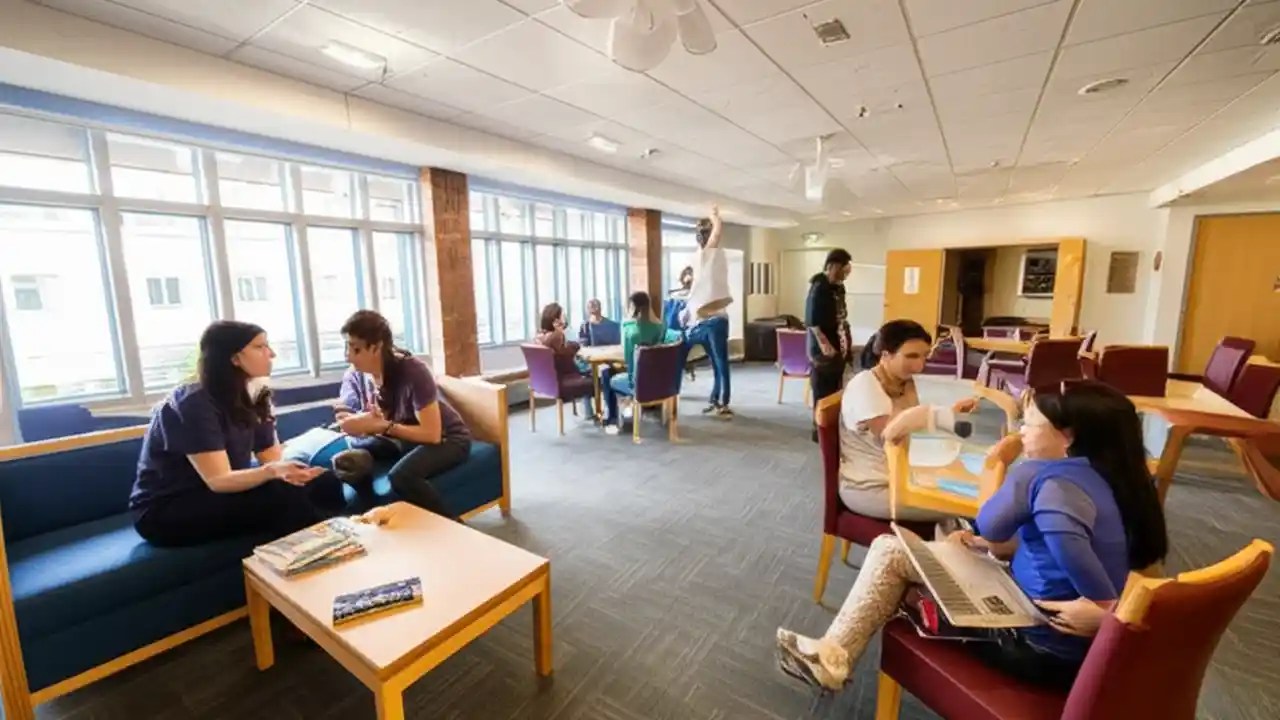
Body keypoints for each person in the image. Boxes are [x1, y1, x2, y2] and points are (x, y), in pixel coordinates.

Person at [776, 381, 1169, 692]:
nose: (1021, 431)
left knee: (895, 560)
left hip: (1036, 645)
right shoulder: (1123, 481)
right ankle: (835, 654)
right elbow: (1065, 545)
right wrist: (1112, 614)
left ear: (1066, 435)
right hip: (1083, 653)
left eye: (1029, 424)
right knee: (910, 558)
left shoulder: (1041, 479)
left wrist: (999, 462)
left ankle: (837, 656)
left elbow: (992, 527)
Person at [130, 321, 333, 547]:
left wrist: (295, 473)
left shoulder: (255, 394)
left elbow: (272, 459)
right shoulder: (193, 402)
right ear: (234, 358)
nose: (271, 354)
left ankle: (339, 546)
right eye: (260, 347)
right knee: (283, 495)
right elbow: (218, 480)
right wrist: (274, 472)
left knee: (323, 481)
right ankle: (321, 553)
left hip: (219, 494)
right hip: (167, 508)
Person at [331, 310, 471, 519]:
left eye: (356, 349)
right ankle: (371, 520)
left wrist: (381, 426)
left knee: (402, 476)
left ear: (376, 347)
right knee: (347, 462)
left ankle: (456, 529)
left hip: (447, 438)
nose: (348, 357)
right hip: (401, 439)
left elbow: (432, 434)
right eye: (347, 347)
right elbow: (354, 413)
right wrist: (354, 423)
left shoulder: (413, 371)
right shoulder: (357, 375)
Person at [837, 319, 978, 522]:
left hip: (903, 477)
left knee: (977, 490)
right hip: (870, 487)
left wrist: (951, 414)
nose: (920, 366)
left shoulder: (903, 382)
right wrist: (939, 417)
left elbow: (913, 431)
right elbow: (892, 435)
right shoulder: (864, 386)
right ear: (885, 355)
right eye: (911, 356)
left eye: (924, 356)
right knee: (975, 508)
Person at [601, 291, 677, 435]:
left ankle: (613, 420)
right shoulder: (660, 326)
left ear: (632, 307)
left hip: (637, 384)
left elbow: (628, 359)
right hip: (661, 383)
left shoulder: (630, 330)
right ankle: (634, 409)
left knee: (608, 375)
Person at [682, 206, 733, 417]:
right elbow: (696, 289)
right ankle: (716, 400)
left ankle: (723, 402)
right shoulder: (701, 258)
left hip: (716, 321)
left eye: (705, 232)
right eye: (700, 233)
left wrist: (715, 215)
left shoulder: (710, 254)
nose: (702, 236)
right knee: (717, 363)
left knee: (720, 363)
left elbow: (717, 232)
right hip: (704, 321)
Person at [805, 248, 853, 441]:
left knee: (835, 387)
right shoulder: (819, 287)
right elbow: (812, 321)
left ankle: (832, 423)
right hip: (822, 346)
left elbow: (841, 316)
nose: (844, 276)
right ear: (833, 266)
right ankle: (819, 428)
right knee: (822, 389)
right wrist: (824, 344)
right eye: (843, 270)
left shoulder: (838, 288)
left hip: (838, 341)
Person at [537, 301, 594, 417]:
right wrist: (575, 345)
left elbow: (562, 351)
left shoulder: (540, 337)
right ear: (556, 319)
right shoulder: (557, 335)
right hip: (561, 382)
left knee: (587, 371)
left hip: (544, 382)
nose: (565, 318)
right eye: (562, 315)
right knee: (597, 380)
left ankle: (588, 411)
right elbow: (566, 353)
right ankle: (595, 413)